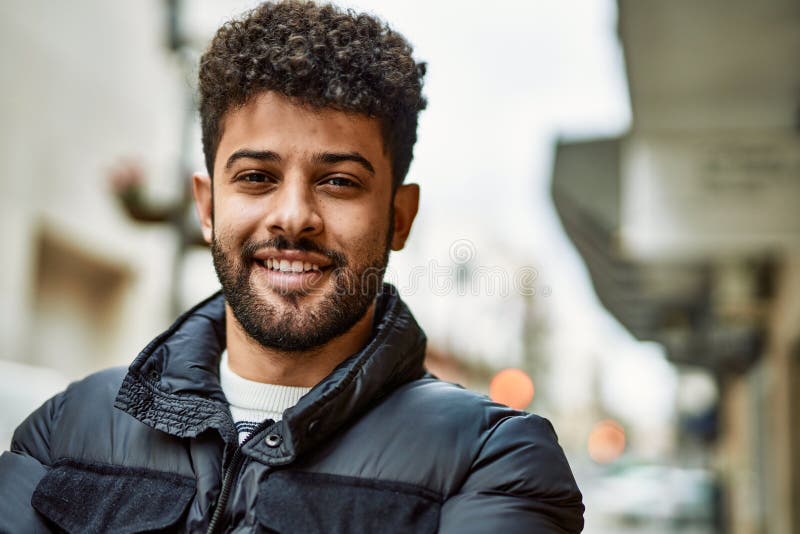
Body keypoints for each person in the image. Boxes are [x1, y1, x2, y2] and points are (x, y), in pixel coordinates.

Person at [0, 1, 584, 532]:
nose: (294, 216)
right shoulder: (67, 427)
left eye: (339, 182)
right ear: (207, 207)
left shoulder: (494, 458)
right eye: (256, 176)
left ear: (399, 218)